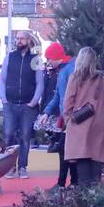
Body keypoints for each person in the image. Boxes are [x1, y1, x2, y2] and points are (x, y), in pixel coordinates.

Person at [63, 47, 104, 185]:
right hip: (99, 126)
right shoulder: (102, 79)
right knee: (96, 171)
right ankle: (96, 201)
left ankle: (85, 202)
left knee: (83, 171)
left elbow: (68, 102)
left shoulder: (75, 78)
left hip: (80, 124)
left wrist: (69, 120)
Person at [1, 30, 44, 178]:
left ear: (29, 41)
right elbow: (2, 80)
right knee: (8, 135)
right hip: (10, 104)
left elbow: (40, 82)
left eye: (22, 38)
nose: (18, 41)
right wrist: (3, 99)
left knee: (25, 136)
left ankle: (23, 167)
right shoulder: (9, 57)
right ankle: (10, 167)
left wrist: (34, 101)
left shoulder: (35, 59)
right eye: (17, 38)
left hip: (28, 106)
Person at [37, 42, 76, 186]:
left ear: (55, 57)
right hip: (66, 116)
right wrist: (47, 112)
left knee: (65, 151)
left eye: (49, 59)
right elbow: (58, 95)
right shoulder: (64, 70)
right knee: (64, 151)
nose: (48, 62)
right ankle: (67, 182)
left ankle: (66, 183)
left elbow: (64, 96)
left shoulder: (67, 71)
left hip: (69, 117)